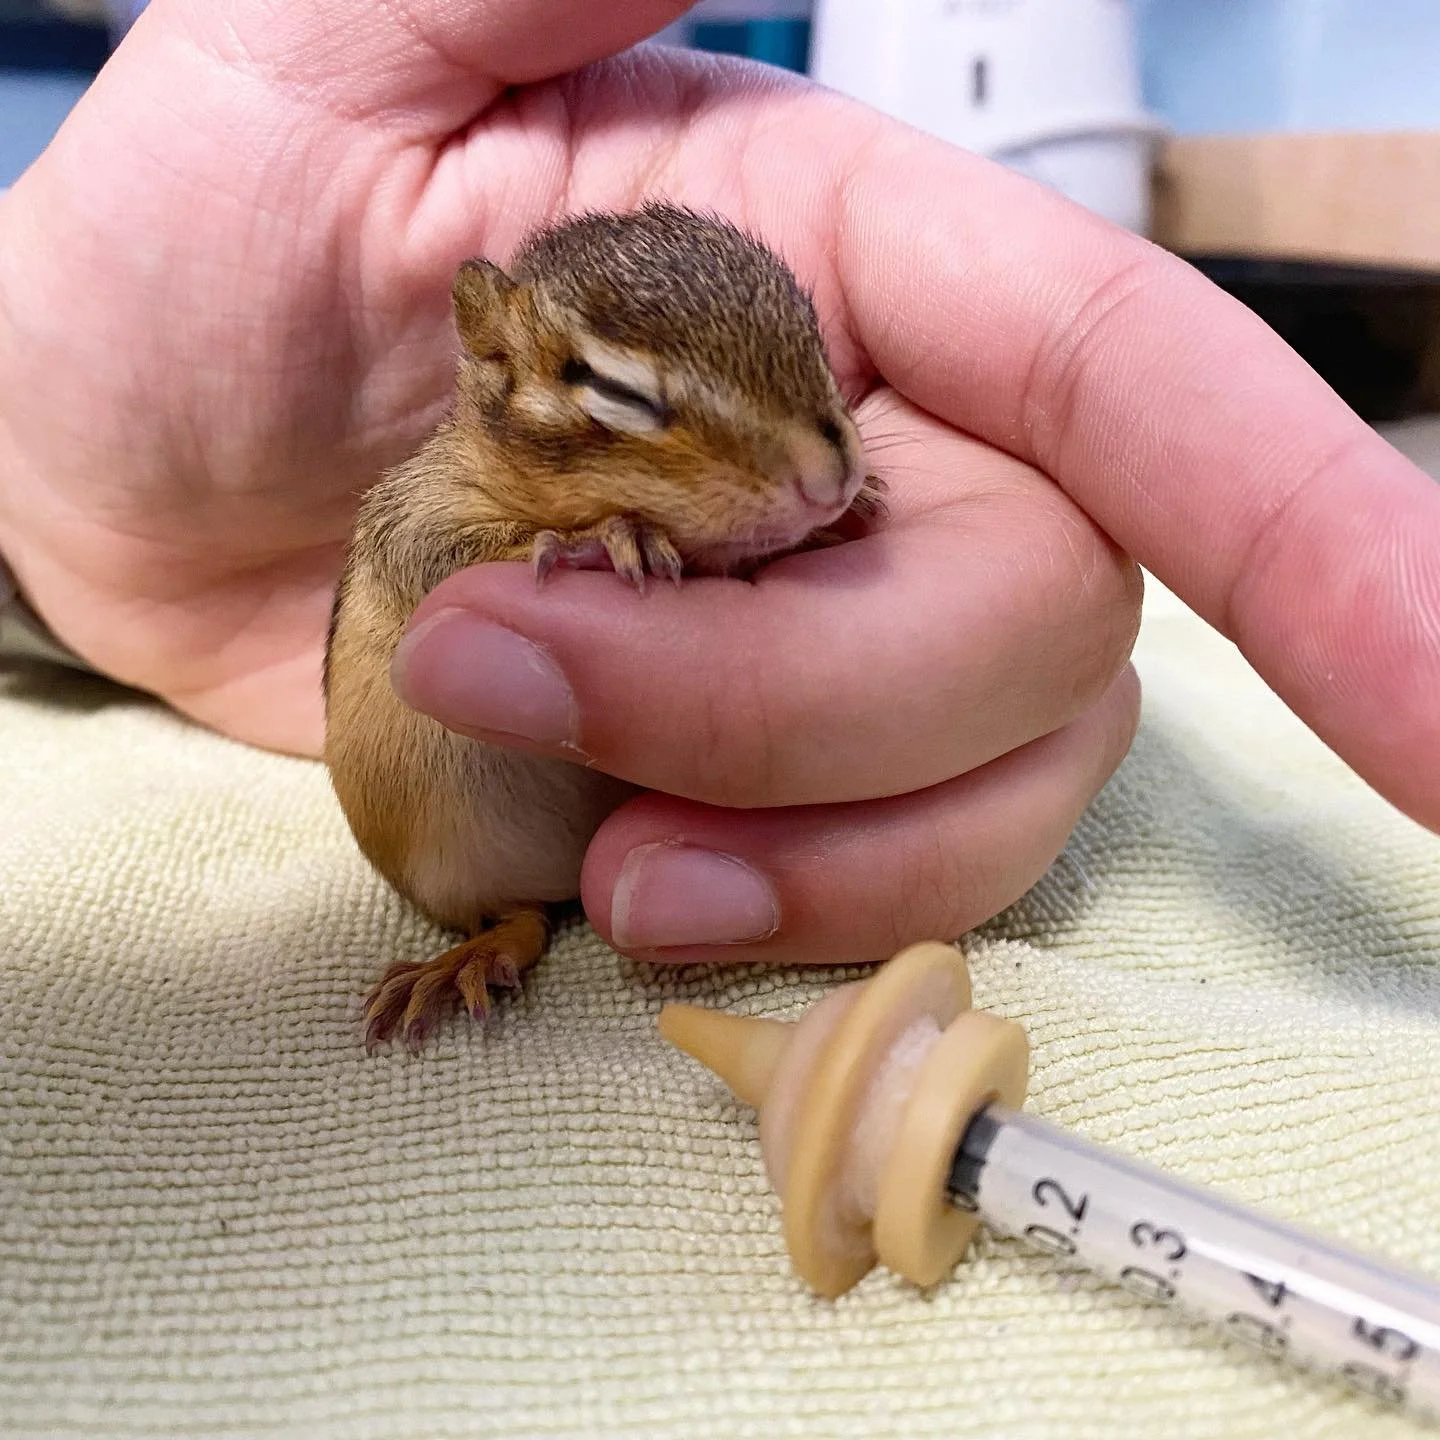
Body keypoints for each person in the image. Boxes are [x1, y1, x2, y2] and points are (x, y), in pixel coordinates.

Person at [0, 0, 1434, 968]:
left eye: (812, 398)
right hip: (454, 821)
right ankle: (498, 926)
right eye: (631, 407)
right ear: (495, 356)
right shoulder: (443, 496)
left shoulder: (781, 459)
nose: (814, 473)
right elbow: (438, 587)